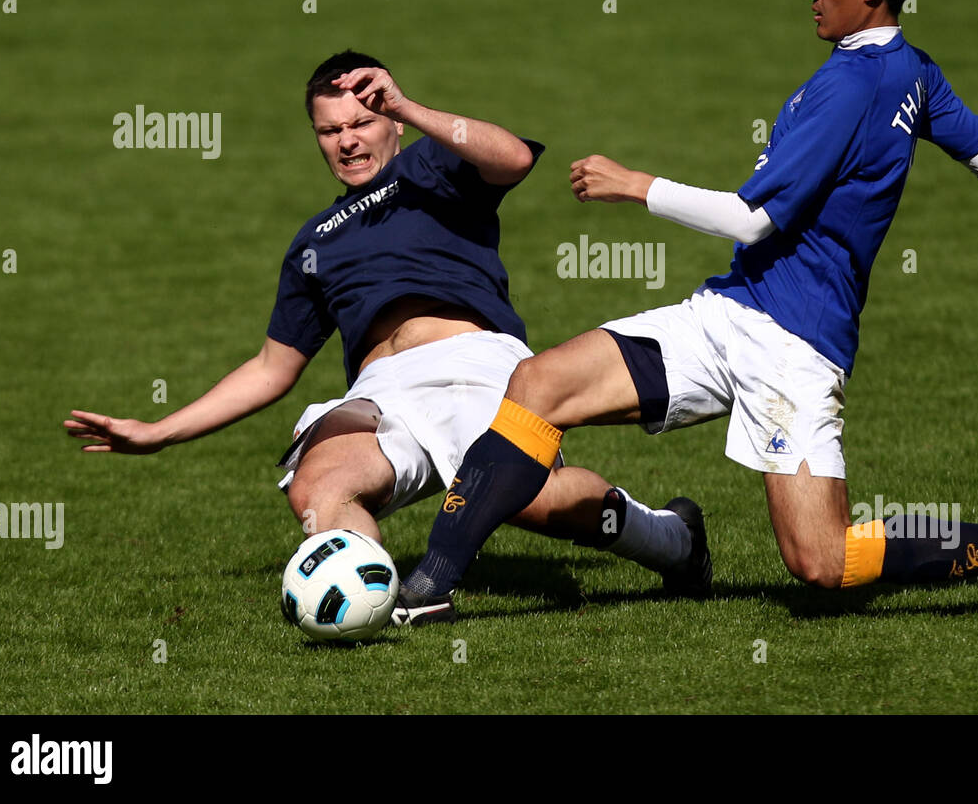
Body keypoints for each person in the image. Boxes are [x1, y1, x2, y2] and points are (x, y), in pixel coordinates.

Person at [395, 0, 978, 613]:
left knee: (824, 560)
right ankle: (431, 585)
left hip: (794, 347)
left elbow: (750, 220)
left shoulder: (851, 85)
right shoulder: (913, 70)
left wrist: (634, 184)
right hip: (727, 313)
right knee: (538, 383)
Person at [64, 50, 711, 626]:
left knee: (538, 506)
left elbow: (512, 156)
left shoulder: (434, 166)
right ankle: (372, 602)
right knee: (317, 486)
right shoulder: (313, 243)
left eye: (363, 121)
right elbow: (270, 367)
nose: (347, 141)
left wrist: (408, 104)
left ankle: (673, 538)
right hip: (382, 393)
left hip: (475, 366)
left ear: (391, 124)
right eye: (330, 130)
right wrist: (158, 432)